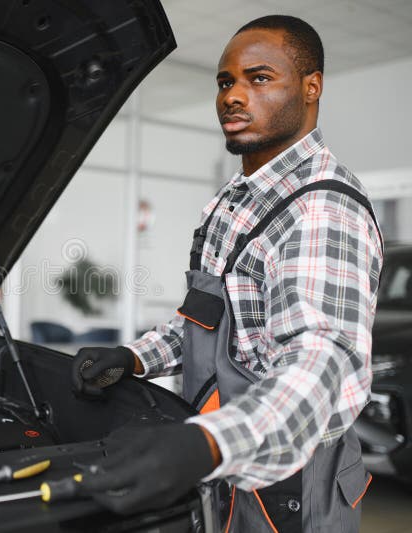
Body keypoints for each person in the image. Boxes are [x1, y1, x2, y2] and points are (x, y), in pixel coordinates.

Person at [71, 15, 383, 532]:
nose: (233, 96)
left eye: (259, 78)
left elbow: (323, 366)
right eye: (225, 81)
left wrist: (210, 442)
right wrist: (133, 357)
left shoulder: (321, 210)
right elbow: (208, 319)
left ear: (311, 88)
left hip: (290, 486)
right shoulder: (231, 201)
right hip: (224, 458)